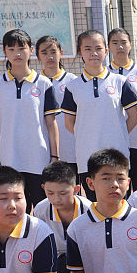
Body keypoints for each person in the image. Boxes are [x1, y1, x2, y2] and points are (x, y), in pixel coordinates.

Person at [59, 30, 137, 196]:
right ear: (80, 52)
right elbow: (69, 123)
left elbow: (134, 117)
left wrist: (118, 133)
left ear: (106, 50)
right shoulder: (73, 86)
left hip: (117, 155)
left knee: (119, 203)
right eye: (88, 49)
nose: (94, 53)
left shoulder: (120, 82)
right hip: (86, 155)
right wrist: (86, 136)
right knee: (94, 204)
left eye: (98, 48)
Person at [0, 29, 60, 205]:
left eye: (21, 48)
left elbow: (51, 123)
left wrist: (54, 156)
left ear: (31, 50)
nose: (17, 54)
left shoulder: (44, 83)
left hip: (39, 158)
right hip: (9, 159)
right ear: (4, 52)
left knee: (42, 208)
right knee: (14, 208)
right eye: (11, 49)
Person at [31, 160, 90, 273]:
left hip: (87, 256)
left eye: (62, 193)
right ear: (43, 188)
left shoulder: (89, 210)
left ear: (76, 189)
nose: (56, 199)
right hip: (59, 259)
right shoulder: (41, 209)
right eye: (50, 193)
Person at [107, 28, 137, 190]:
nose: (120, 47)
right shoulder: (105, 74)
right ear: (108, 47)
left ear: (130, 45)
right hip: (114, 137)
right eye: (115, 43)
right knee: (118, 183)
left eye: (123, 42)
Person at [37, 35, 78, 176]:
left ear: (61, 52)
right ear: (37, 56)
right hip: (45, 147)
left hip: (71, 146)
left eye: (53, 52)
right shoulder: (36, 83)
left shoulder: (73, 81)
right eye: (44, 53)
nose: (50, 57)